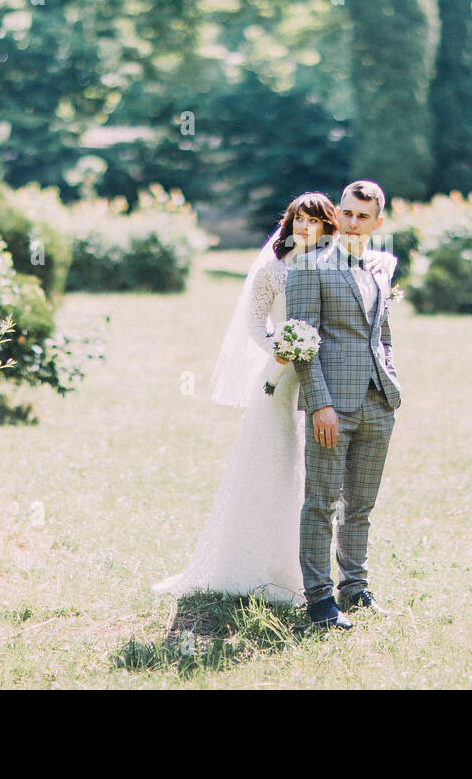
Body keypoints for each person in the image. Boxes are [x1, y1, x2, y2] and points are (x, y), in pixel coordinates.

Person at [153, 192, 393, 606]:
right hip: (288, 382)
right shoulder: (286, 267)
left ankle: (348, 583)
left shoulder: (360, 265)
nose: (305, 228)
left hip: (352, 391)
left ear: (327, 225)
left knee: (329, 488)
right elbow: (256, 321)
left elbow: (375, 331)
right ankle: (274, 570)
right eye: (299, 220)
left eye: (314, 221)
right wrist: (279, 347)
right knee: (282, 472)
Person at [286, 180, 401, 629]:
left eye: (363, 216)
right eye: (347, 213)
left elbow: (383, 334)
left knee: (361, 505)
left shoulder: (381, 267)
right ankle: (319, 599)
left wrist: (391, 381)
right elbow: (302, 343)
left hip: (379, 403)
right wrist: (319, 404)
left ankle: (355, 587)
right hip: (332, 406)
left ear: (377, 222)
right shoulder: (310, 267)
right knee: (321, 502)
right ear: (340, 213)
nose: (353, 223)